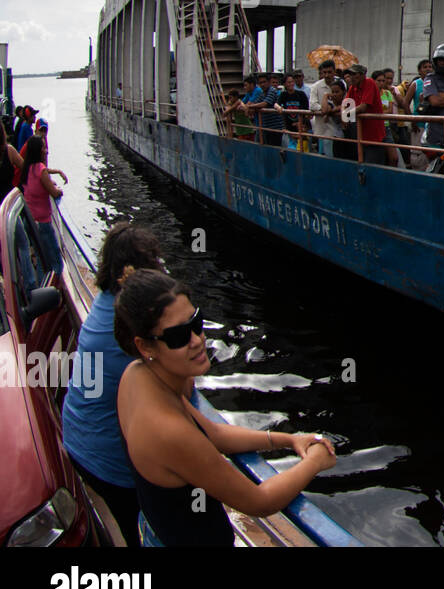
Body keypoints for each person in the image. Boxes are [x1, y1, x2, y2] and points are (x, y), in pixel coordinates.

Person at [114, 268, 336, 546]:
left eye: (196, 323)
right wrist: (316, 460)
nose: (197, 340)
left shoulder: (137, 376)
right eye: (178, 336)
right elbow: (259, 501)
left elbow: (213, 434)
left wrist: (289, 440)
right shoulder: (168, 431)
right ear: (145, 346)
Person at [61, 223, 167, 546]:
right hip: (104, 458)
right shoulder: (126, 327)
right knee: (142, 527)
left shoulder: (106, 301)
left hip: (78, 434)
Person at [20, 135, 65, 286]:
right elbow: (54, 192)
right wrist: (59, 190)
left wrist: (56, 172)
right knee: (56, 262)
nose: (46, 150)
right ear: (39, 150)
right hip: (43, 223)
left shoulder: (27, 168)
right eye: (44, 147)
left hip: (30, 221)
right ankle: (53, 292)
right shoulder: (41, 170)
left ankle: (42, 290)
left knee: (40, 259)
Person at [342, 65, 387, 164]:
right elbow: (346, 103)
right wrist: (344, 114)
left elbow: (363, 107)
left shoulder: (369, 83)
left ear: (362, 75)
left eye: (354, 74)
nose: (351, 77)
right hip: (360, 134)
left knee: (372, 165)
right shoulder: (353, 88)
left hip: (373, 135)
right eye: (350, 74)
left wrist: (345, 115)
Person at [309, 60, 337, 154]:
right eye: (324, 72)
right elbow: (312, 105)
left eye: (329, 72)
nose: (327, 75)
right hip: (323, 129)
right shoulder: (316, 86)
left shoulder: (341, 84)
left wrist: (331, 109)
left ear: (334, 71)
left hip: (338, 128)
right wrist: (324, 108)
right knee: (326, 155)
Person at [277, 73, 310, 151]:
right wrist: (278, 107)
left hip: (301, 128)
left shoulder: (301, 94)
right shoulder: (283, 95)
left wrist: (300, 123)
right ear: (285, 84)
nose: (291, 84)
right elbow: (277, 104)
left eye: (292, 82)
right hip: (289, 127)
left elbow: (307, 111)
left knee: (303, 149)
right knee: (289, 150)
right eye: (288, 82)